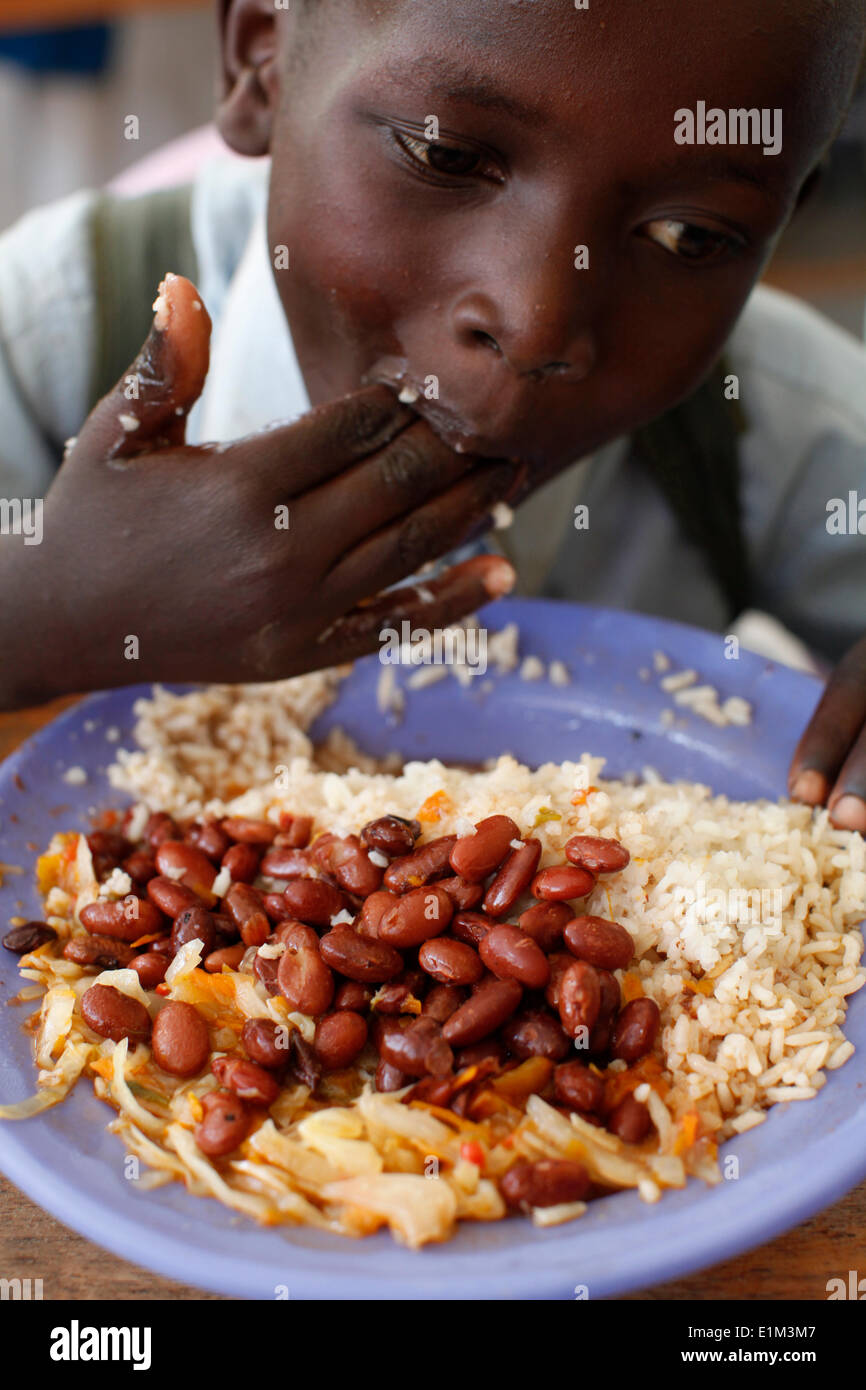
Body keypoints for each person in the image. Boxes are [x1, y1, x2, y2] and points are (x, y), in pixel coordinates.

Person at [0, 0, 864, 832]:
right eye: (444, 155)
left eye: (691, 235)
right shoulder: (58, 328)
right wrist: (52, 614)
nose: (536, 325)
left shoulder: (757, 412)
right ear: (260, 57)